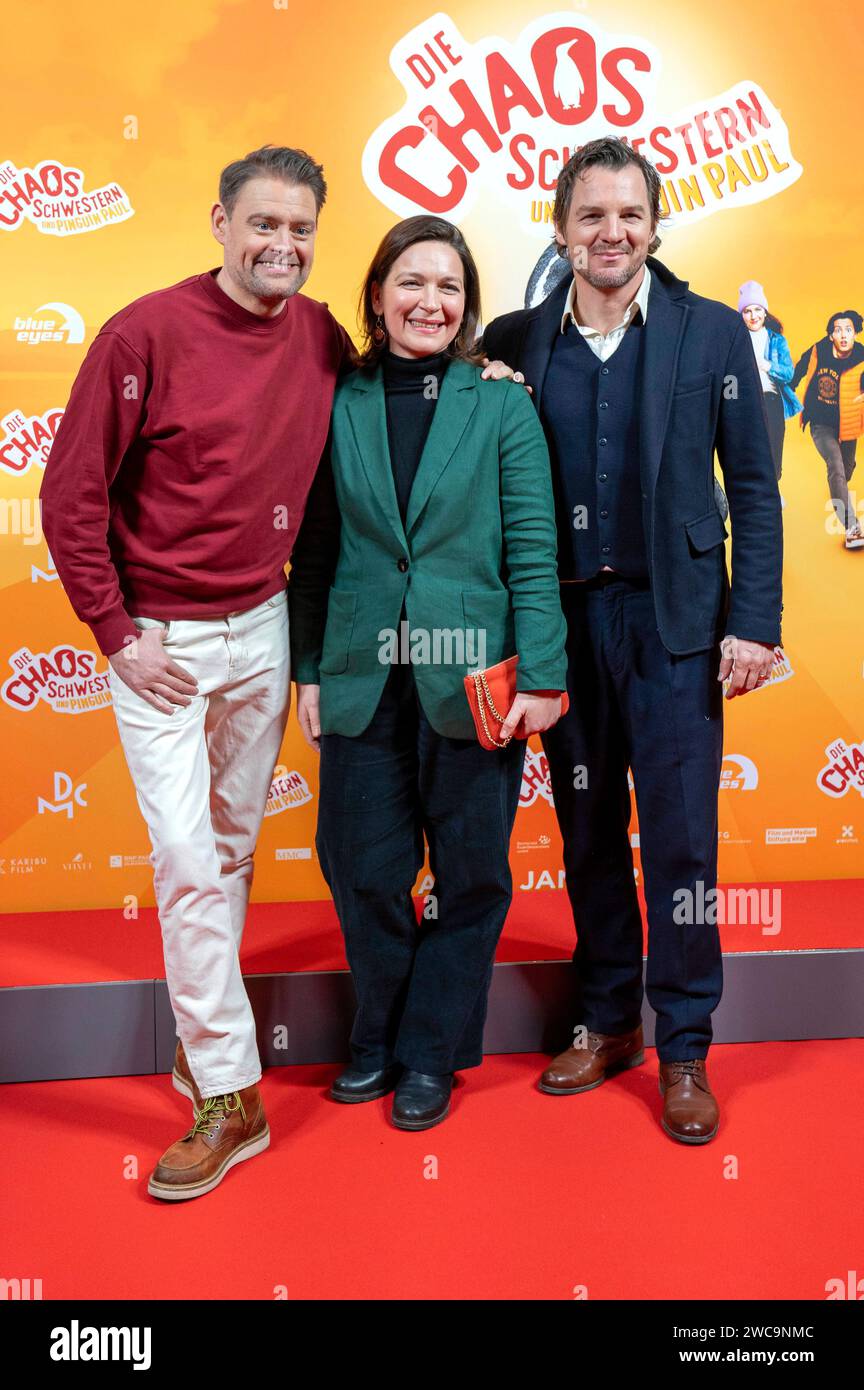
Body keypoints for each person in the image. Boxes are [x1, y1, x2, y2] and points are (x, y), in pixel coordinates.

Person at [39, 145, 357, 1201]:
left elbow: (391, 395)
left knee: (224, 851)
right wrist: (120, 634)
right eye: (264, 224)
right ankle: (232, 1094)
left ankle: (198, 1047)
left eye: (301, 230)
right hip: (161, 645)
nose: (284, 246)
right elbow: (70, 495)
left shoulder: (320, 334)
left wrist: (483, 372)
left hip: (262, 625)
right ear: (219, 221)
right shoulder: (143, 334)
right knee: (184, 856)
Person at [481, 136, 783, 1144]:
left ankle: (687, 1043)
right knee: (588, 830)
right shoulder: (515, 338)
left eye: (629, 214)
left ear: (655, 225)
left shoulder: (710, 335)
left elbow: (753, 485)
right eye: (591, 215)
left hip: (679, 626)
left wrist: (754, 621)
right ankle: (609, 1018)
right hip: (564, 626)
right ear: (561, 227)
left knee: (684, 842)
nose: (611, 231)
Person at [288, 215, 568, 1131]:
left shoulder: (500, 402)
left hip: (474, 680)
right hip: (363, 668)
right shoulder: (342, 397)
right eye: (412, 283)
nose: (430, 302)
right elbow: (318, 545)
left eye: (448, 287)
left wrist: (543, 676)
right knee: (360, 868)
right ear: (377, 294)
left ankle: (428, 1055)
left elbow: (532, 547)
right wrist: (309, 669)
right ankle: (378, 1036)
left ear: (467, 305)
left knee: (475, 873)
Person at [791, 310, 864, 549]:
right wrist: (786, 389)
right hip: (821, 422)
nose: (843, 335)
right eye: (838, 330)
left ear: (855, 333)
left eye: (848, 330)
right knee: (835, 464)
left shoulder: (862, 356)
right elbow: (800, 368)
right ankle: (852, 527)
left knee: (847, 468)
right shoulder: (818, 350)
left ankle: (839, 484)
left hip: (849, 422)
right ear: (831, 334)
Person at [737, 280, 802, 481]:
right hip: (746, 400)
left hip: (771, 399)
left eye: (757, 309)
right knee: (749, 452)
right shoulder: (736, 338)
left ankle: (772, 488)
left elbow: (789, 373)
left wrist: (767, 366)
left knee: (774, 450)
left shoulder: (776, 340)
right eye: (747, 311)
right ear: (742, 315)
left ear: (765, 312)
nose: (753, 315)